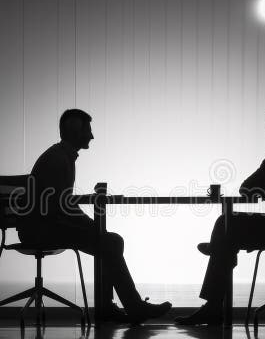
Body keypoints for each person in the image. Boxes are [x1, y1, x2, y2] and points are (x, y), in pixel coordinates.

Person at [18, 108, 171, 323]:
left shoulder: (61, 156)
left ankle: (114, 308)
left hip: (43, 227)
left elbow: (61, 204)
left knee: (109, 241)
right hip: (42, 231)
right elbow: (58, 207)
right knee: (110, 242)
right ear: (74, 131)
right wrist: (91, 226)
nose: (92, 136)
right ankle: (132, 308)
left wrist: (90, 225)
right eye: (87, 130)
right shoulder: (58, 159)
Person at [175, 104, 265, 325]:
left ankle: (214, 300)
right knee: (227, 233)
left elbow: (247, 189)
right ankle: (220, 249)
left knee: (226, 223)